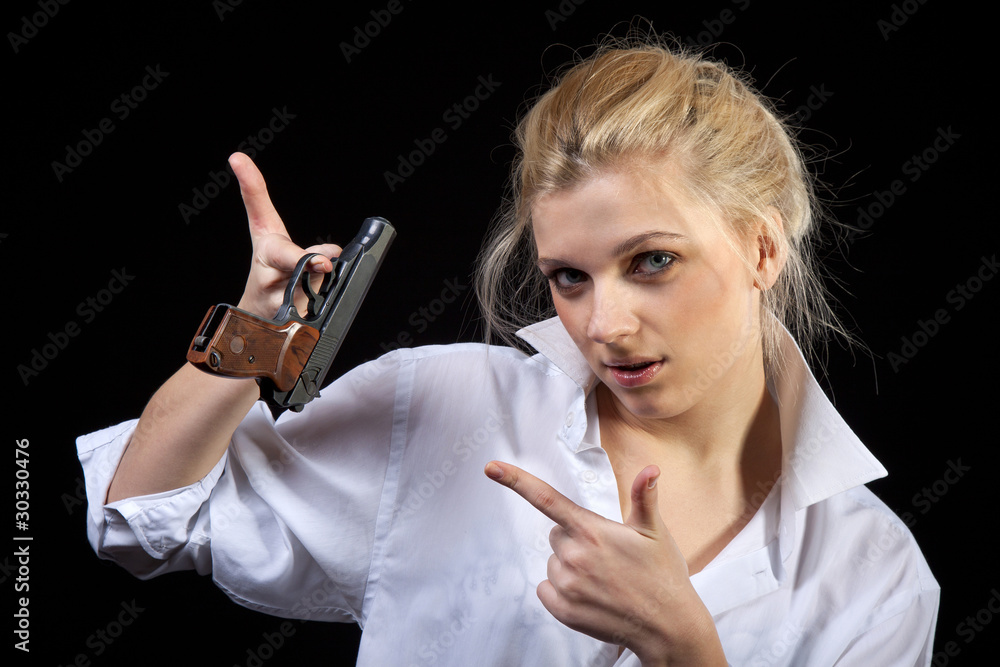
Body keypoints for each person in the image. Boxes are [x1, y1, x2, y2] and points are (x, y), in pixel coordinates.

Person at [77, 37, 939, 665]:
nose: (606, 324)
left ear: (760, 249)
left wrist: (684, 649)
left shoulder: (875, 573)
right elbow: (144, 518)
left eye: (653, 262)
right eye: (569, 277)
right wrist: (253, 338)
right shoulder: (448, 407)